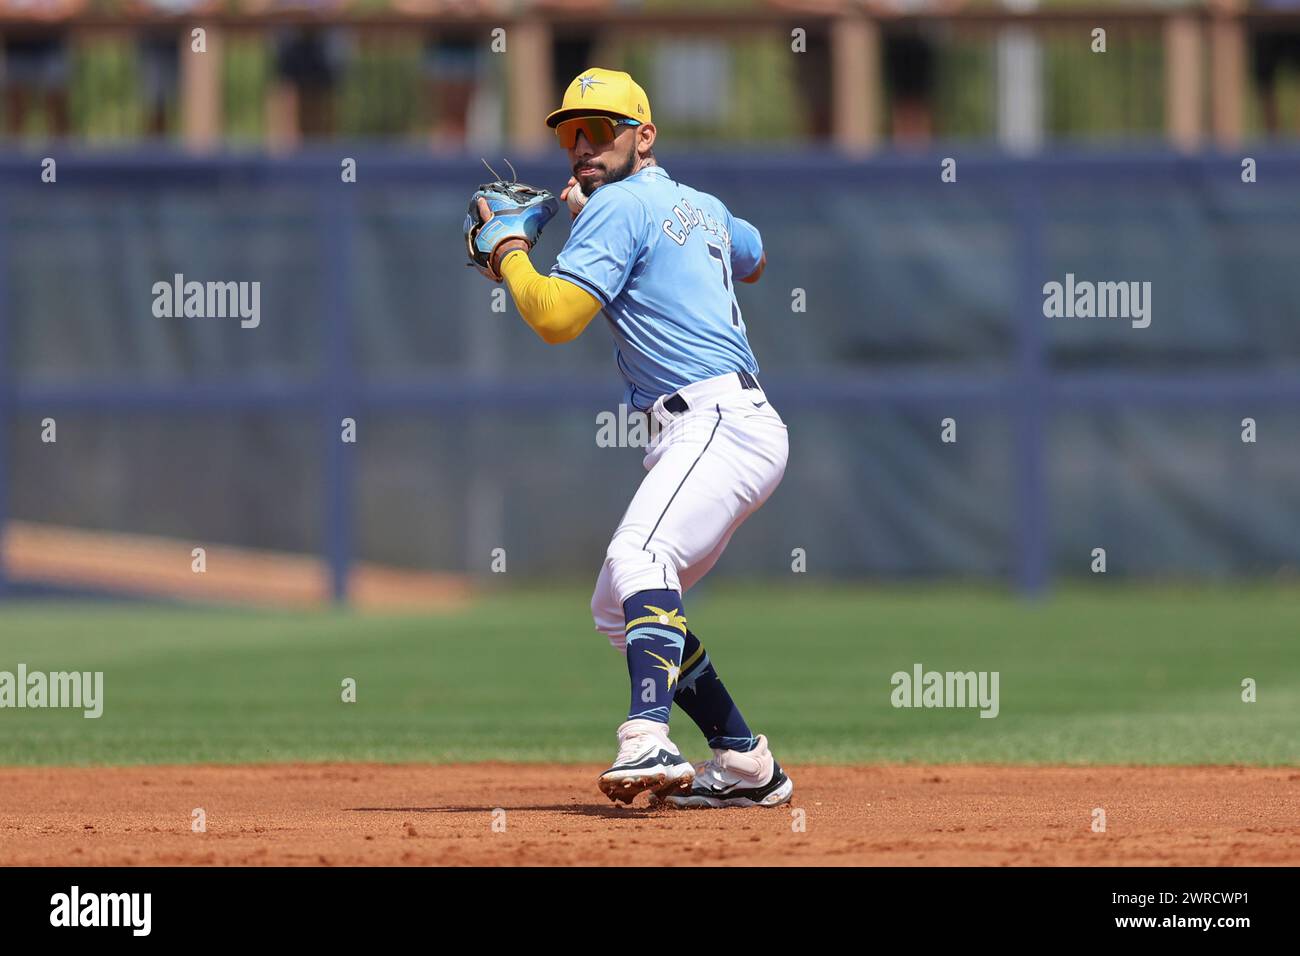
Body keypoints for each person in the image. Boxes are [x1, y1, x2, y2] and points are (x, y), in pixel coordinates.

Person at [471, 68, 793, 809]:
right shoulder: (699, 204)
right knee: (620, 605)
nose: (582, 143)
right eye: (569, 132)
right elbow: (755, 254)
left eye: (602, 129)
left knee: (639, 557)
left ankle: (646, 735)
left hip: (715, 422)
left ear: (643, 136)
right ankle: (745, 762)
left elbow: (554, 318)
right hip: (729, 424)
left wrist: (511, 252)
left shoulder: (618, 209)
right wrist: (617, 211)